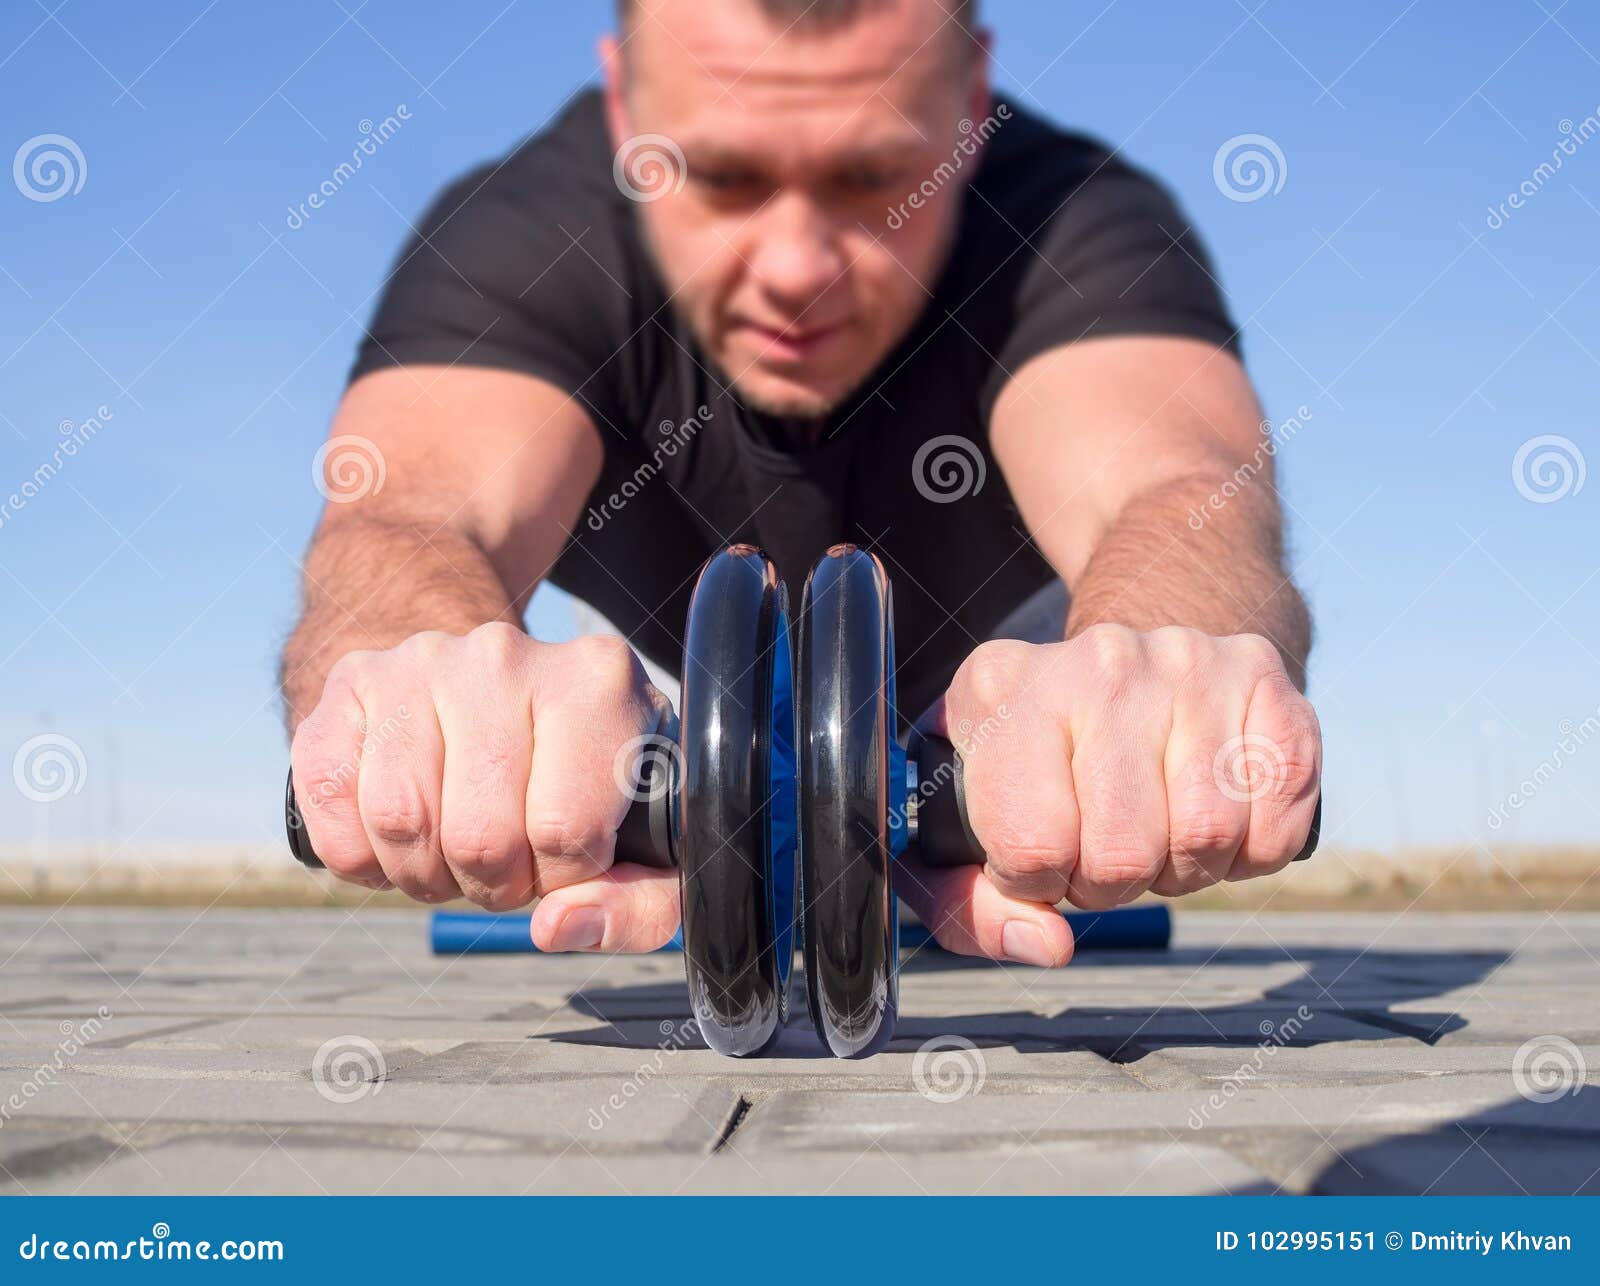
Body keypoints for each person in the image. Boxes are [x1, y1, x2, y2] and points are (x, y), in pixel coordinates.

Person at [281, 0, 1321, 967]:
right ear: (623, 98)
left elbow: (1177, 489)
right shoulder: (521, 233)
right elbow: (411, 516)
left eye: (873, 179)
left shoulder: (1074, 217)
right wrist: (421, 703)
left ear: (967, 96)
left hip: (993, 708)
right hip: (697, 705)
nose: (796, 268)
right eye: (722, 177)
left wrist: (1161, 677)